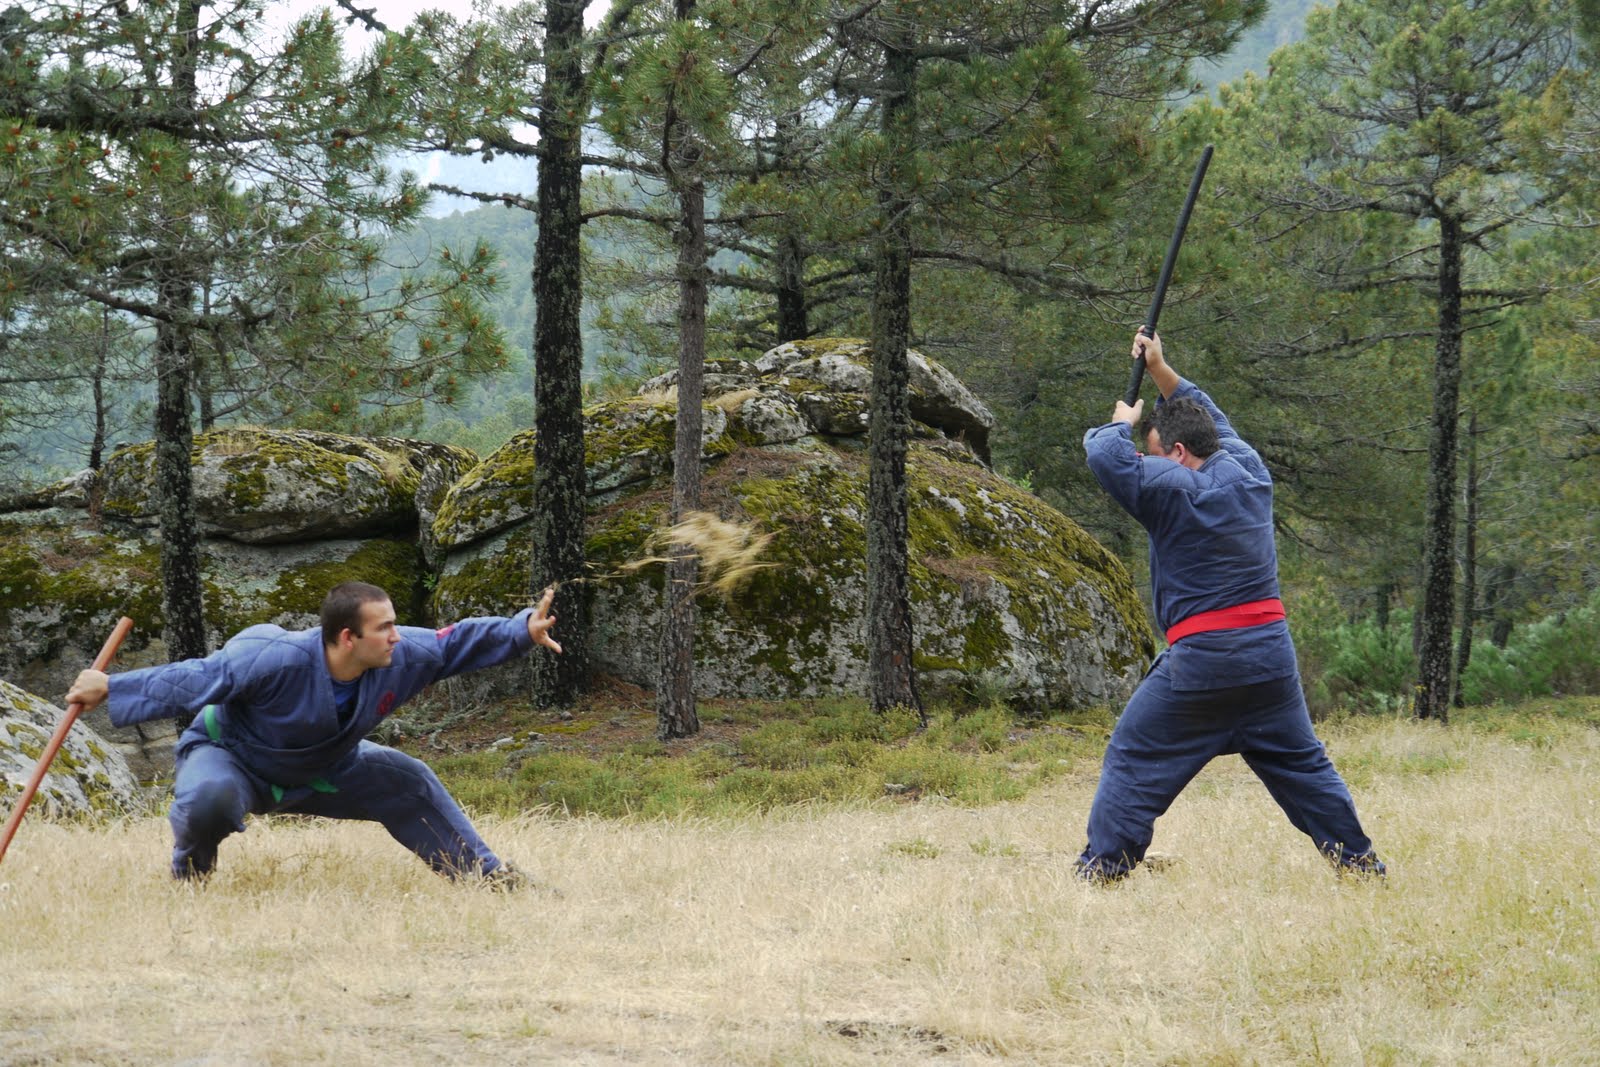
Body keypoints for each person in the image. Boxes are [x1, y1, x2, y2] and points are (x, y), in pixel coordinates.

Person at [1076, 329, 1383, 881]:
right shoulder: (1249, 469)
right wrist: (1161, 369)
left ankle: (1102, 869)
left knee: (1133, 758)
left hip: (1201, 665)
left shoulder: (1171, 487)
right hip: (1270, 662)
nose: (1151, 464)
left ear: (1176, 452)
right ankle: (1359, 865)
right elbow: (1210, 416)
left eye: (1155, 454)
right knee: (1305, 769)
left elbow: (1102, 454)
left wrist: (1122, 421)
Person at [66, 582, 562, 887]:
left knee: (407, 782)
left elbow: (455, 641)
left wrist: (522, 630)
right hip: (230, 756)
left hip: (325, 766)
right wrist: (110, 686)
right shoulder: (270, 654)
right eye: (385, 627)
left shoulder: (402, 653)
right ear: (349, 638)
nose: (397, 635)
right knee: (210, 799)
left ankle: (488, 879)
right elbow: (195, 678)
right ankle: (191, 873)